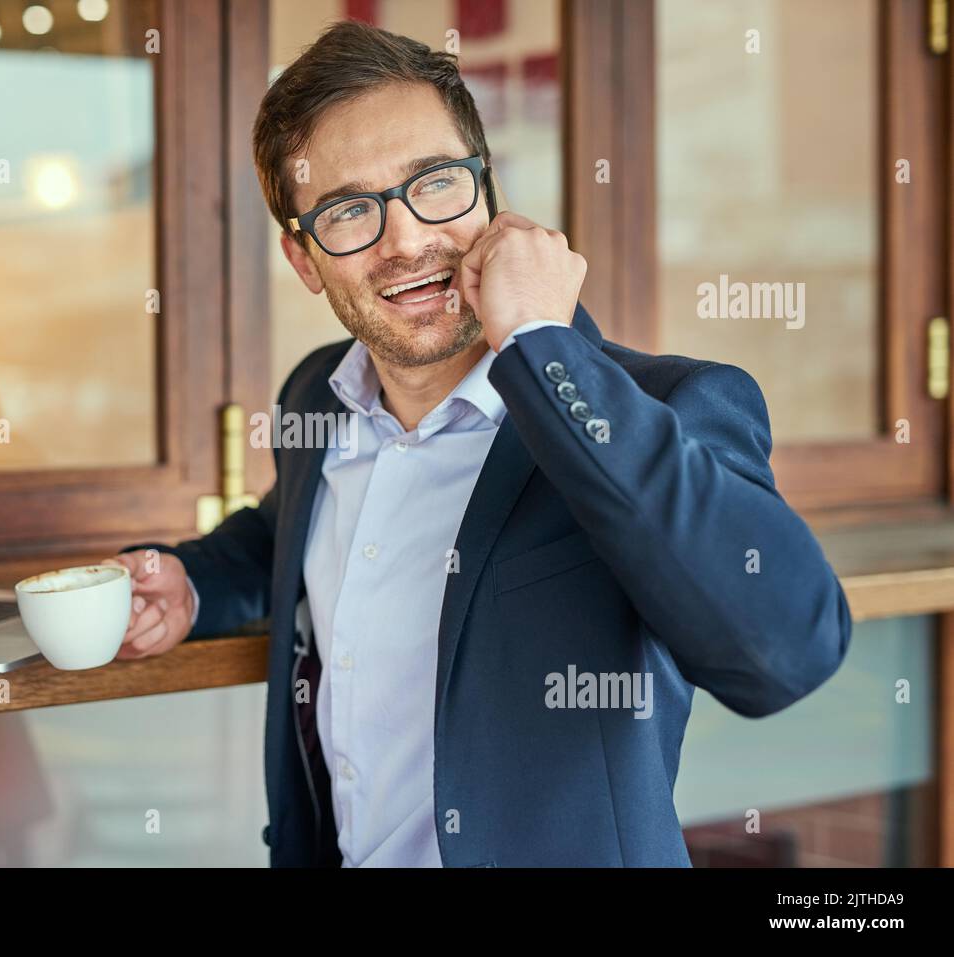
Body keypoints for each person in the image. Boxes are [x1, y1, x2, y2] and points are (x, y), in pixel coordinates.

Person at [103, 20, 851, 867]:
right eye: (348, 210)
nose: (406, 240)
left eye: (435, 183)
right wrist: (195, 582)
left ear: (488, 192)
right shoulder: (319, 397)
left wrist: (540, 344)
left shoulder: (665, 406)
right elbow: (285, 533)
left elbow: (787, 649)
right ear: (304, 259)